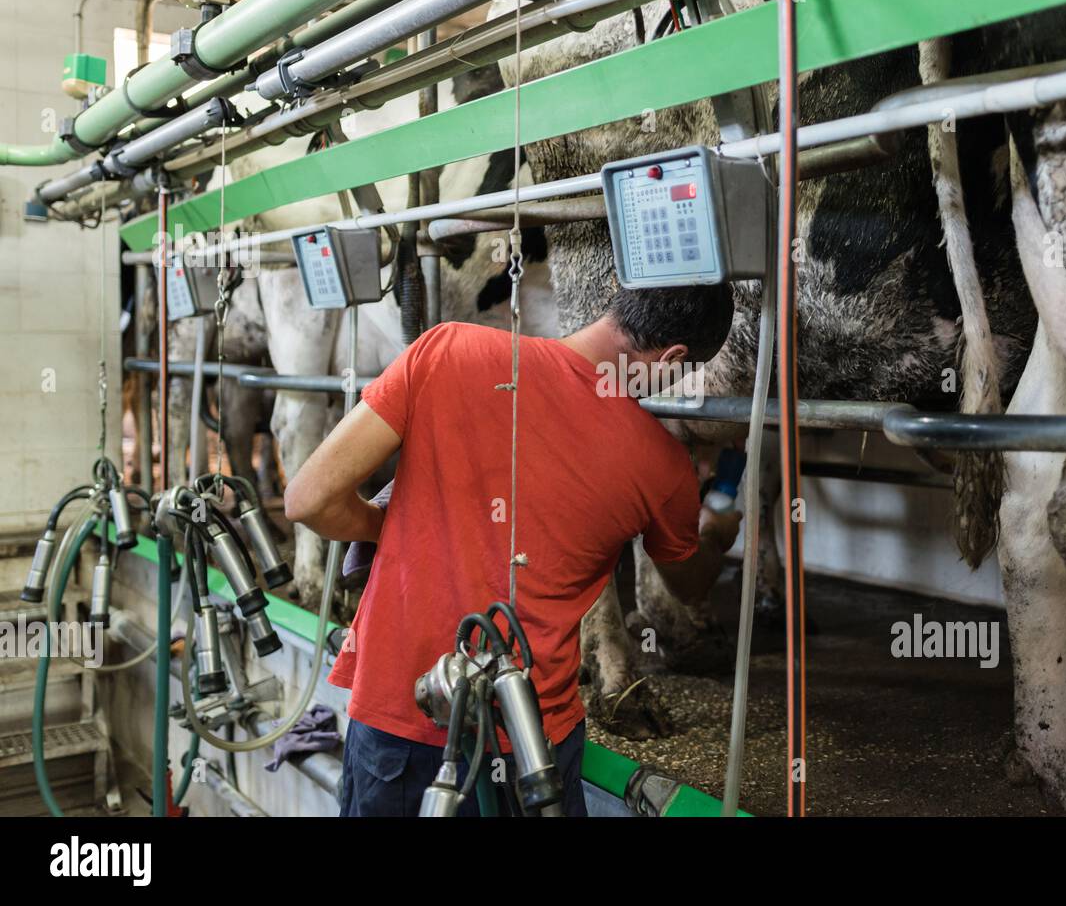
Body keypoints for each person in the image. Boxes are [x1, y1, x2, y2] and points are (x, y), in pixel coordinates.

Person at [284, 283, 742, 816]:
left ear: (615, 306)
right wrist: (720, 536)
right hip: (532, 745)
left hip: (400, 723)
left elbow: (309, 499)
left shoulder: (447, 349)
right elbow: (687, 586)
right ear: (673, 357)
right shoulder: (663, 467)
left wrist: (384, 526)